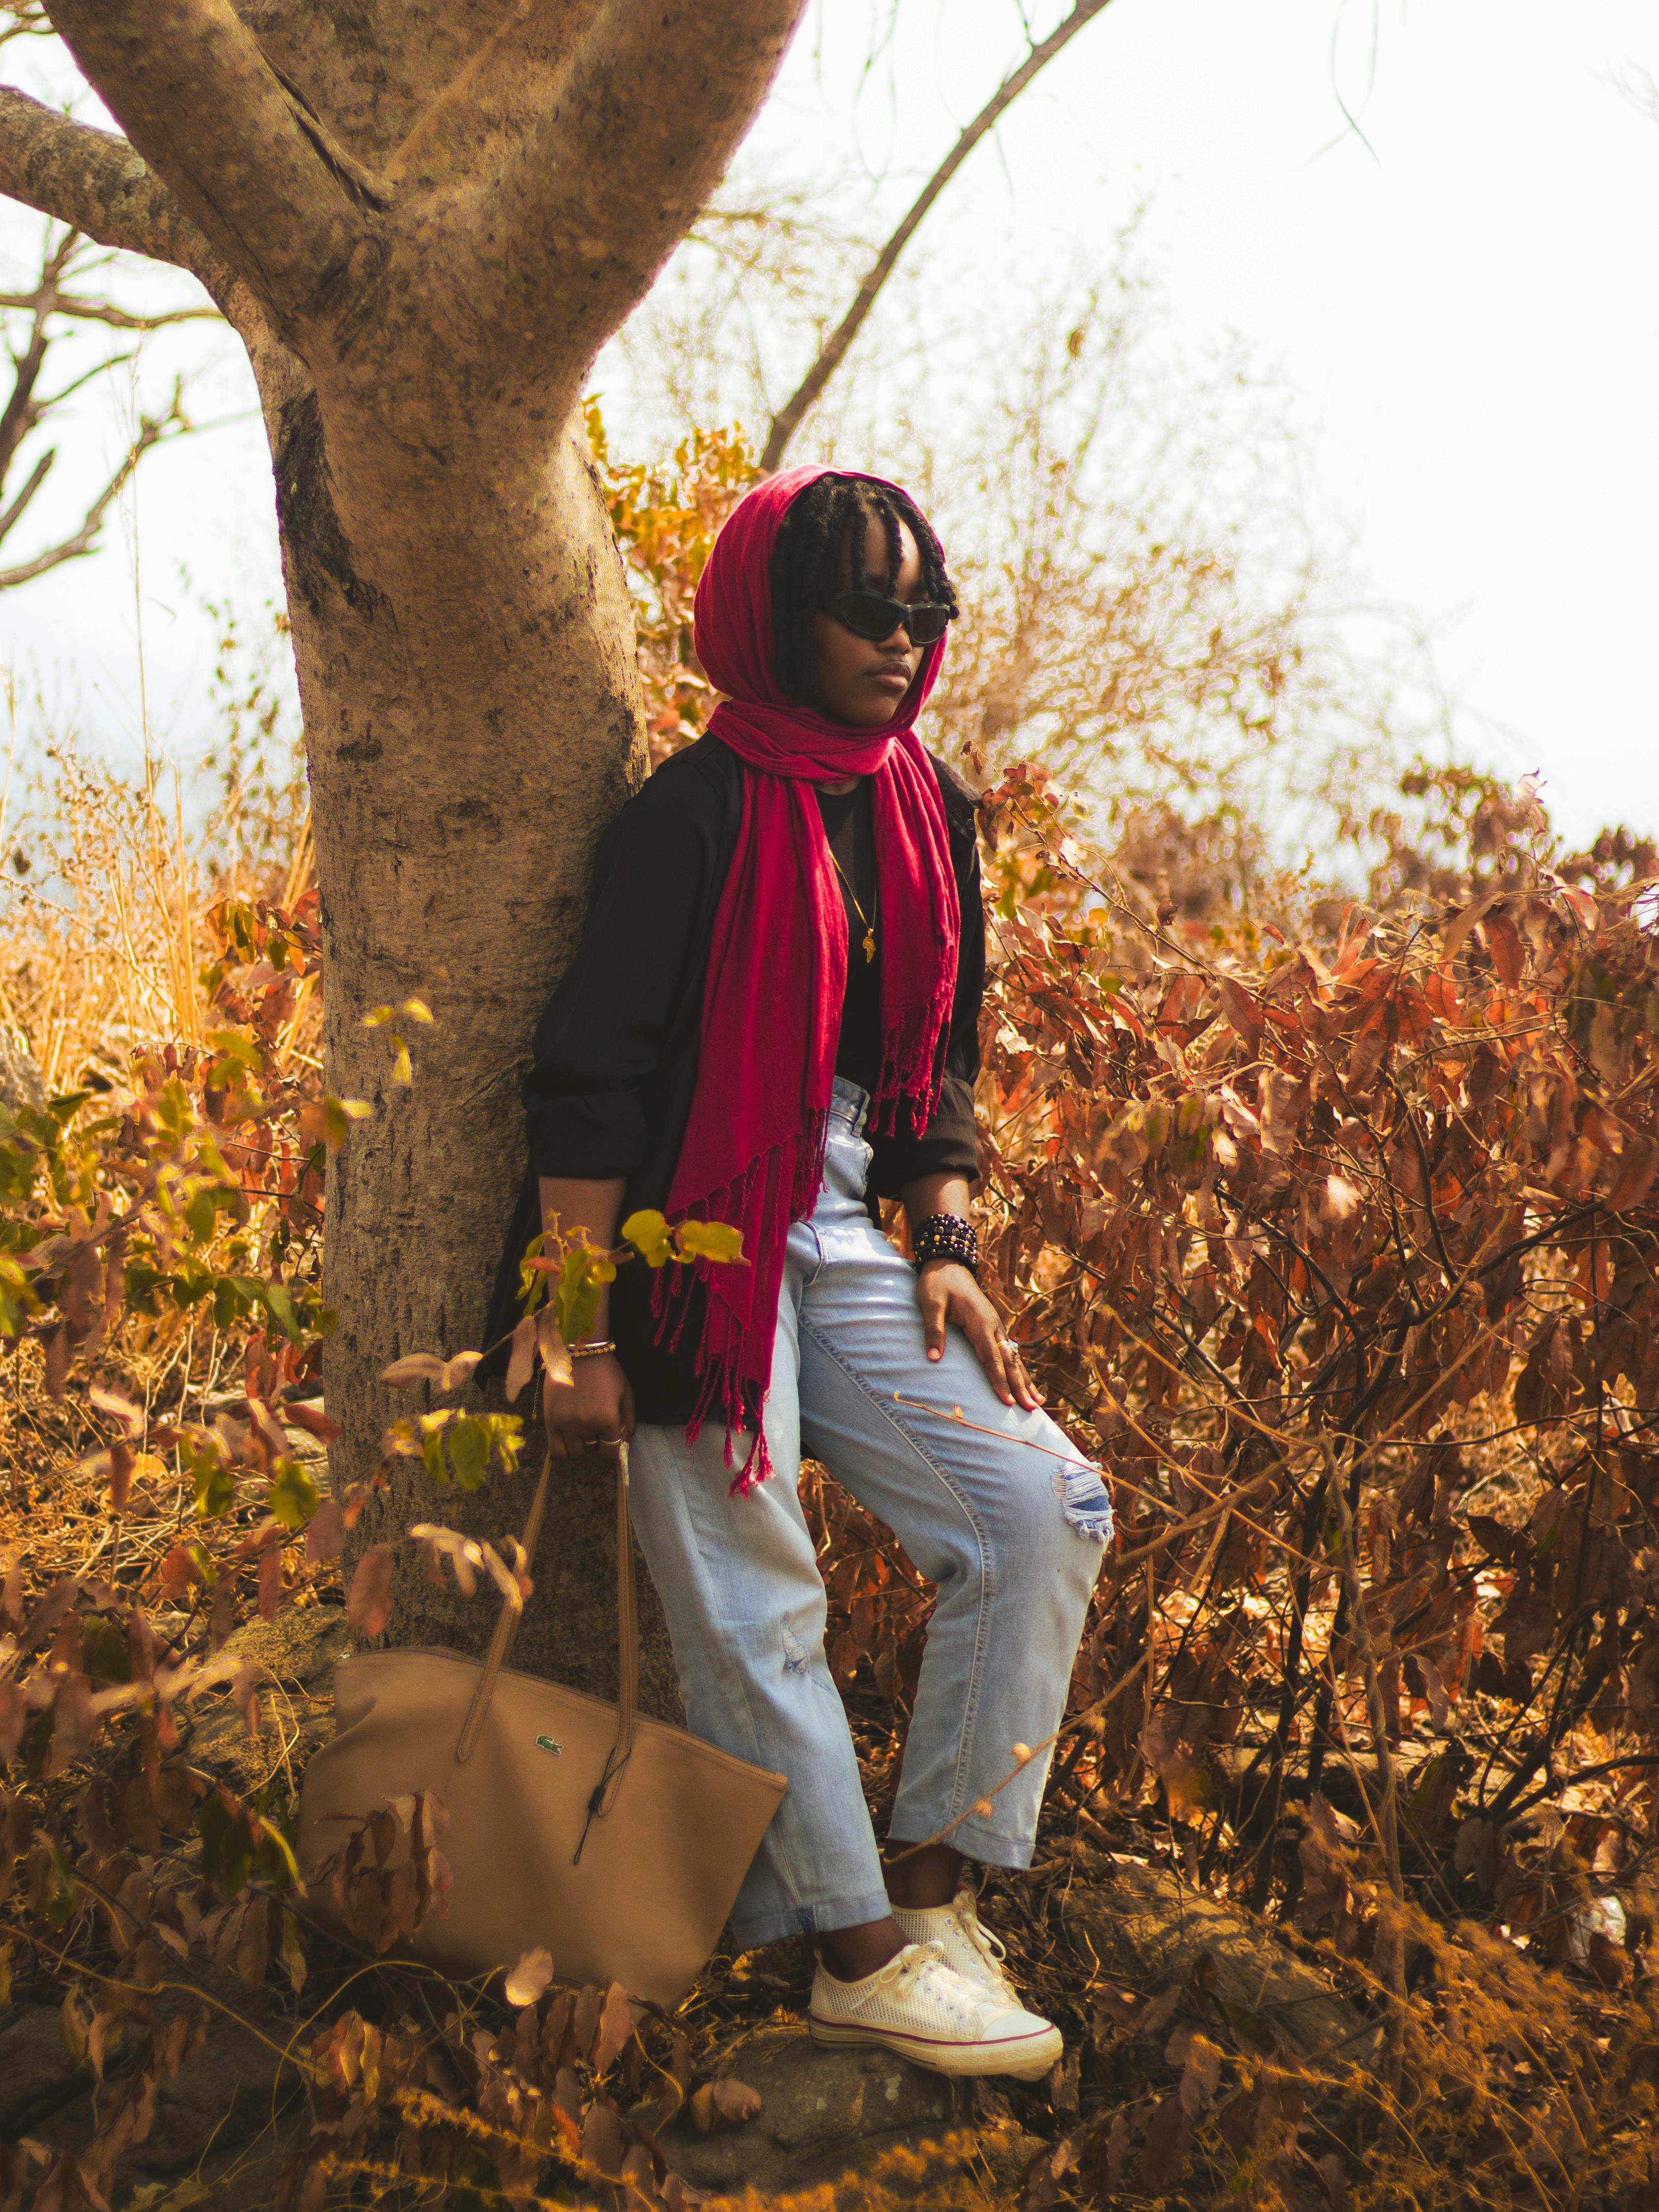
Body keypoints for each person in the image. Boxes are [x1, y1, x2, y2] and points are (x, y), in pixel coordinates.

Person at [484, 465, 1111, 2080]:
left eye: (927, 613)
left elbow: (936, 1063)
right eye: (867, 610)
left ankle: (927, 1900)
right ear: (773, 616)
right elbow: (590, 1078)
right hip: (686, 1241)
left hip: (847, 1222)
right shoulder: (685, 819)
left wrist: (951, 1236)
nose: (905, 643)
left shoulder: (924, 805)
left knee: (1045, 1504)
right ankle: (851, 1955)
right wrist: (575, 1322)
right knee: (755, 1588)